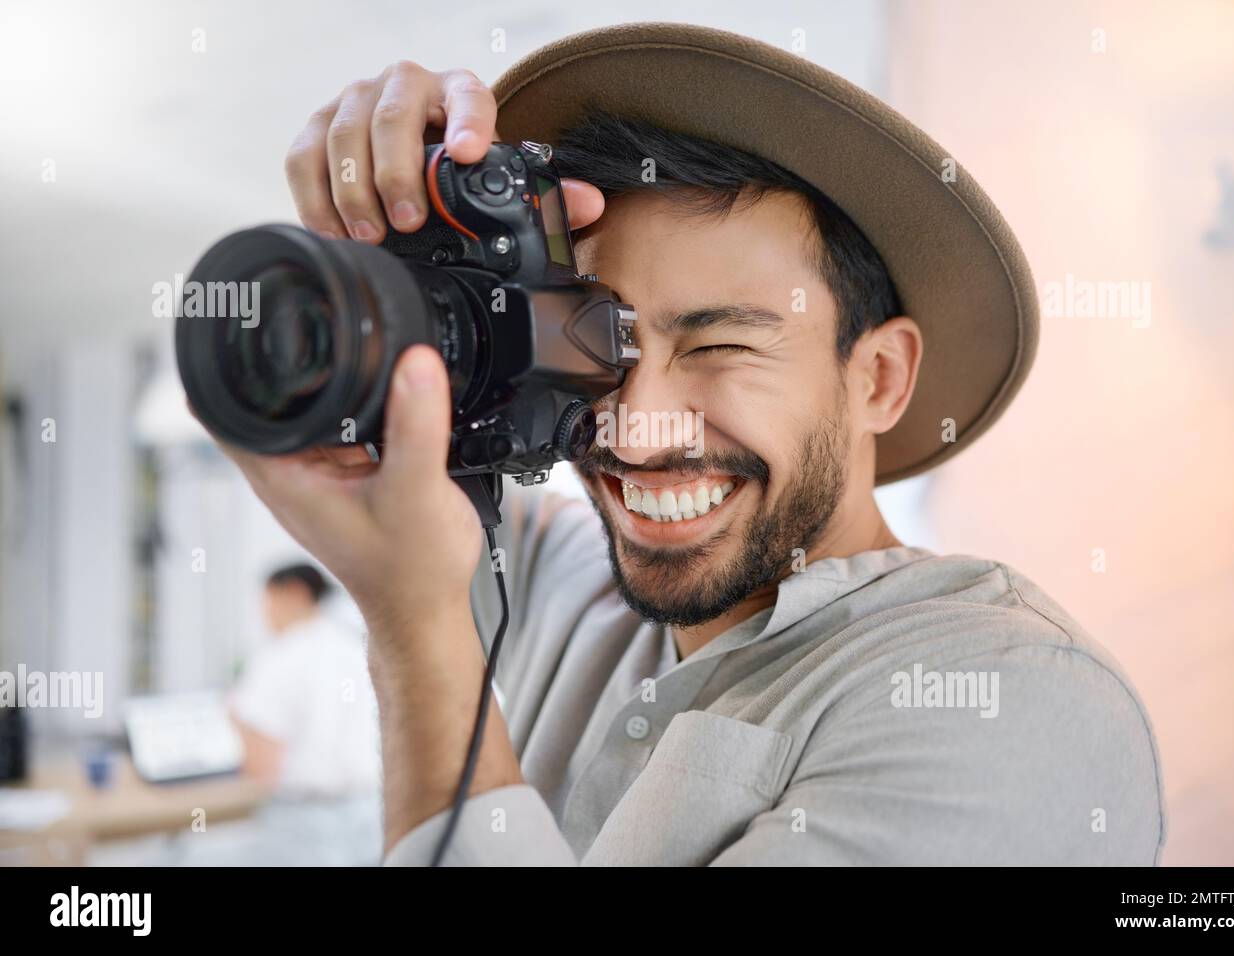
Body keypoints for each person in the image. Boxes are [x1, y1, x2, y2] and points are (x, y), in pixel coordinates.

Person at [215, 25, 1164, 864]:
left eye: (716, 345)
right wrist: (383, 273)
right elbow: (361, 448)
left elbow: (419, 597)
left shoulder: (1012, 703)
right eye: (602, 340)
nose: (633, 425)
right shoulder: (552, 574)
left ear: (877, 377)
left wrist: (417, 632)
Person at [228, 563, 379, 798]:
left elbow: (262, 769)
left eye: (267, 602)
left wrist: (235, 718)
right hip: (368, 809)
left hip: (300, 811)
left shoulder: (280, 657)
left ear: (295, 593)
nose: (265, 614)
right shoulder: (355, 650)